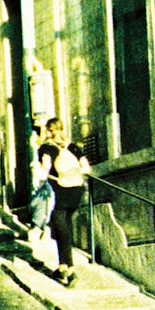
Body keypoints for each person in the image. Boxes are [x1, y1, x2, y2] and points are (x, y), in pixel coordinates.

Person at [37, 117, 90, 286]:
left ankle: (71, 270)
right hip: (76, 192)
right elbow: (87, 168)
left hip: (59, 192)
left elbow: (44, 171)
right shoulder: (73, 146)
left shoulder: (46, 148)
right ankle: (62, 267)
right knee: (64, 228)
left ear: (50, 131)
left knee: (61, 230)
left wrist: (39, 174)